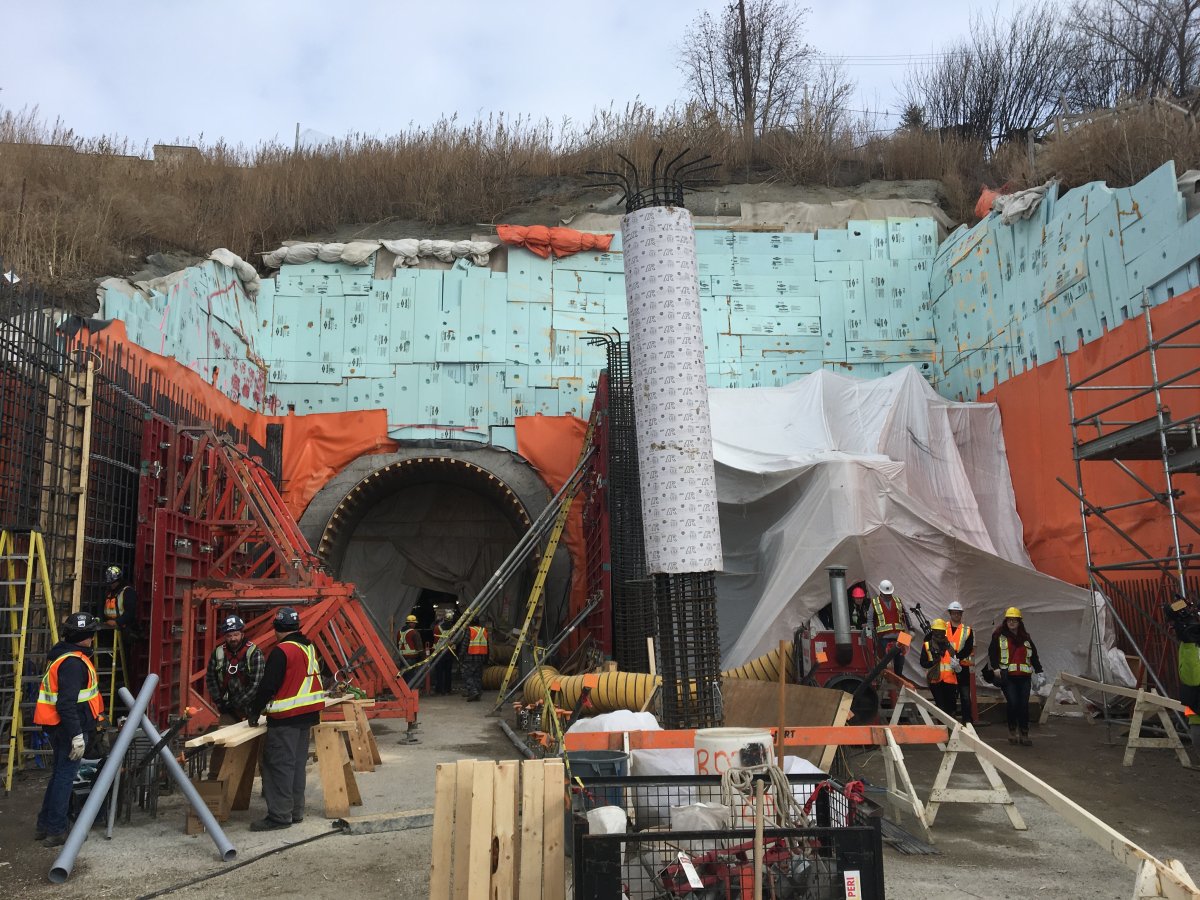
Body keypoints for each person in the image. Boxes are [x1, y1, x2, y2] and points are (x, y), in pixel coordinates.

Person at [246, 607, 326, 831]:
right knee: (297, 765)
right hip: (307, 716)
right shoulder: (308, 647)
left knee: (279, 766)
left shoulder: (282, 651)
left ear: (277, 630)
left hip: (286, 719)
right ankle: (295, 812)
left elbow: (268, 686)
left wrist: (254, 711)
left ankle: (280, 817)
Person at [34, 612, 104, 847]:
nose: (93, 638)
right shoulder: (73, 663)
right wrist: (76, 735)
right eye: (91, 634)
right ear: (84, 637)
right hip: (70, 728)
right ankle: (56, 829)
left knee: (58, 775)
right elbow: (66, 703)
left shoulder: (64, 657)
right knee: (65, 777)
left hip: (59, 727)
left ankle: (45, 825)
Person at [988, 607, 1044, 746]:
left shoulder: (1026, 638)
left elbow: (1034, 656)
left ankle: (1024, 733)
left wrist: (1040, 671)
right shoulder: (998, 636)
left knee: (1023, 705)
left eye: (1015, 620)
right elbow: (992, 653)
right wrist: (995, 668)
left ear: (1019, 622)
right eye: (1009, 620)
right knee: (1013, 704)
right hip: (1008, 677)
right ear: (1006, 621)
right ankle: (1012, 731)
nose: (1012, 623)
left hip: (1024, 677)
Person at [205, 614, 265, 723]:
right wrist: (219, 701)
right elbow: (211, 678)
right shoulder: (218, 653)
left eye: (236, 634)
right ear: (225, 636)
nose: (233, 638)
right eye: (229, 635)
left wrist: (235, 704)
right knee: (225, 737)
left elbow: (257, 684)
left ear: (242, 634)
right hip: (227, 709)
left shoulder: (254, 653)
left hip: (252, 707)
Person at [866, 579, 912, 676]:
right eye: (886, 594)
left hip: (901, 635)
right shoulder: (874, 603)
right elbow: (870, 619)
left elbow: (906, 615)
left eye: (890, 593)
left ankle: (898, 678)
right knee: (887, 662)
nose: (888, 595)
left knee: (900, 661)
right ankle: (888, 680)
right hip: (884, 637)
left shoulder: (898, 600)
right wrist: (871, 633)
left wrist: (911, 629)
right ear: (881, 592)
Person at [919, 619, 961, 717]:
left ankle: (951, 731)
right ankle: (943, 729)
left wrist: (957, 667)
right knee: (940, 708)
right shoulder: (927, 645)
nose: (939, 633)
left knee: (951, 709)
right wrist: (932, 662)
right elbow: (923, 663)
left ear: (944, 632)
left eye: (941, 631)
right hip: (935, 681)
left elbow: (956, 663)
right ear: (933, 631)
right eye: (937, 631)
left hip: (950, 681)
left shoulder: (950, 646)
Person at [944, 601, 975, 725]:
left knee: (965, 695)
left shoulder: (968, 630)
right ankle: (951, 720)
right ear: (950, 613)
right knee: (950, 695)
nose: (956, 615)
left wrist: (957, 658)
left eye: (958, 613)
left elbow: (968, 648)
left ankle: (967, 721)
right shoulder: (943, 627)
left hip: (962, 667)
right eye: (954, 613)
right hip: (946, 667)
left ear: (961, 614)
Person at [101, 564, 138, 636]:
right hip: (108, 626)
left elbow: (130, 613)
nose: (111, 585)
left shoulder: (127, 591)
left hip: (123, 628)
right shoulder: (108, 592)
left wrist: (117, 622)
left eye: (113, 583)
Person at [458, 616, 488, 702]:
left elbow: (465, 644)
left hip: (470, 657)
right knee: (477, 676)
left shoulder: (470, 630)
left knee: (467, 675)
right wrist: (487, 657)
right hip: (481, 657)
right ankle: (478, 693)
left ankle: (473, 692)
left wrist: (461, 655)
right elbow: (487, 645)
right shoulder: (484, 630)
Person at [432, 609, 457, 696]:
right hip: (449, 653)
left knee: (439, 672)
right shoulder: (454, 629)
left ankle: (439, 690)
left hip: (439, 652)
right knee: (448, 672)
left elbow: (434, 639)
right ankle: (448, 690)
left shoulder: (436, 628)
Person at [398, 614, 424, 687]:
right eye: (414, 623)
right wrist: (424, 659)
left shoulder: (399, 632)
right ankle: (410, 693)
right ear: (411, 623)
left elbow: (398, 645)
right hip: (411, 659)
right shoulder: (414, 632)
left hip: (402, 658)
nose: (415, 625)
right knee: (411, 677)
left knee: (403, 677)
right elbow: (419, 647)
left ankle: (404, 691)